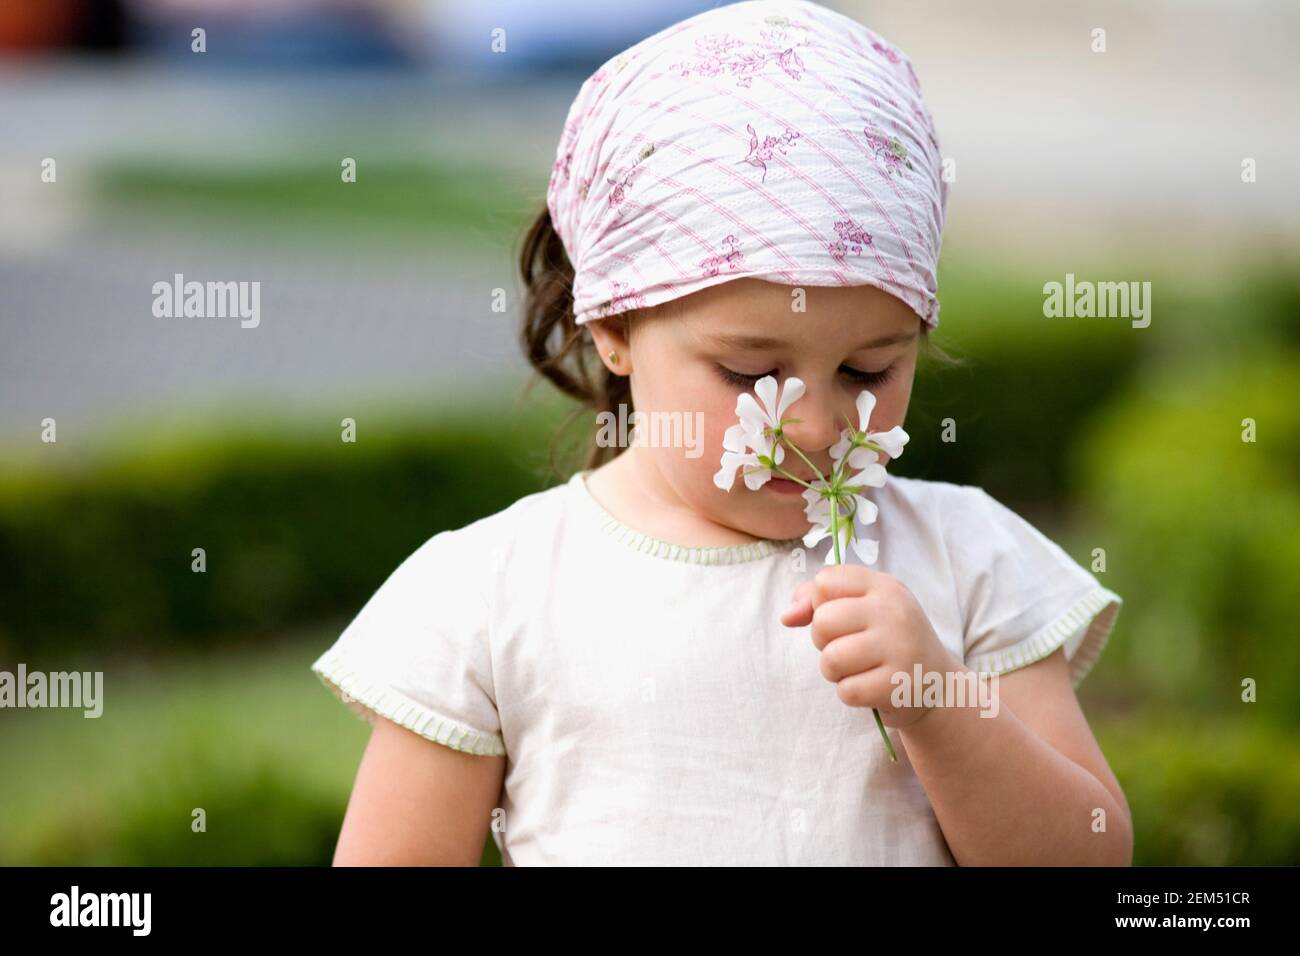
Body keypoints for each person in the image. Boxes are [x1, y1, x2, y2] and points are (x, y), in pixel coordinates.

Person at [311, 0, 1130, 866]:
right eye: (749, 376)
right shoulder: (491, 595)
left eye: (867, 372)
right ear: (613, 328)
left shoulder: (968, 562)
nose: (811, 425)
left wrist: (941, 704)